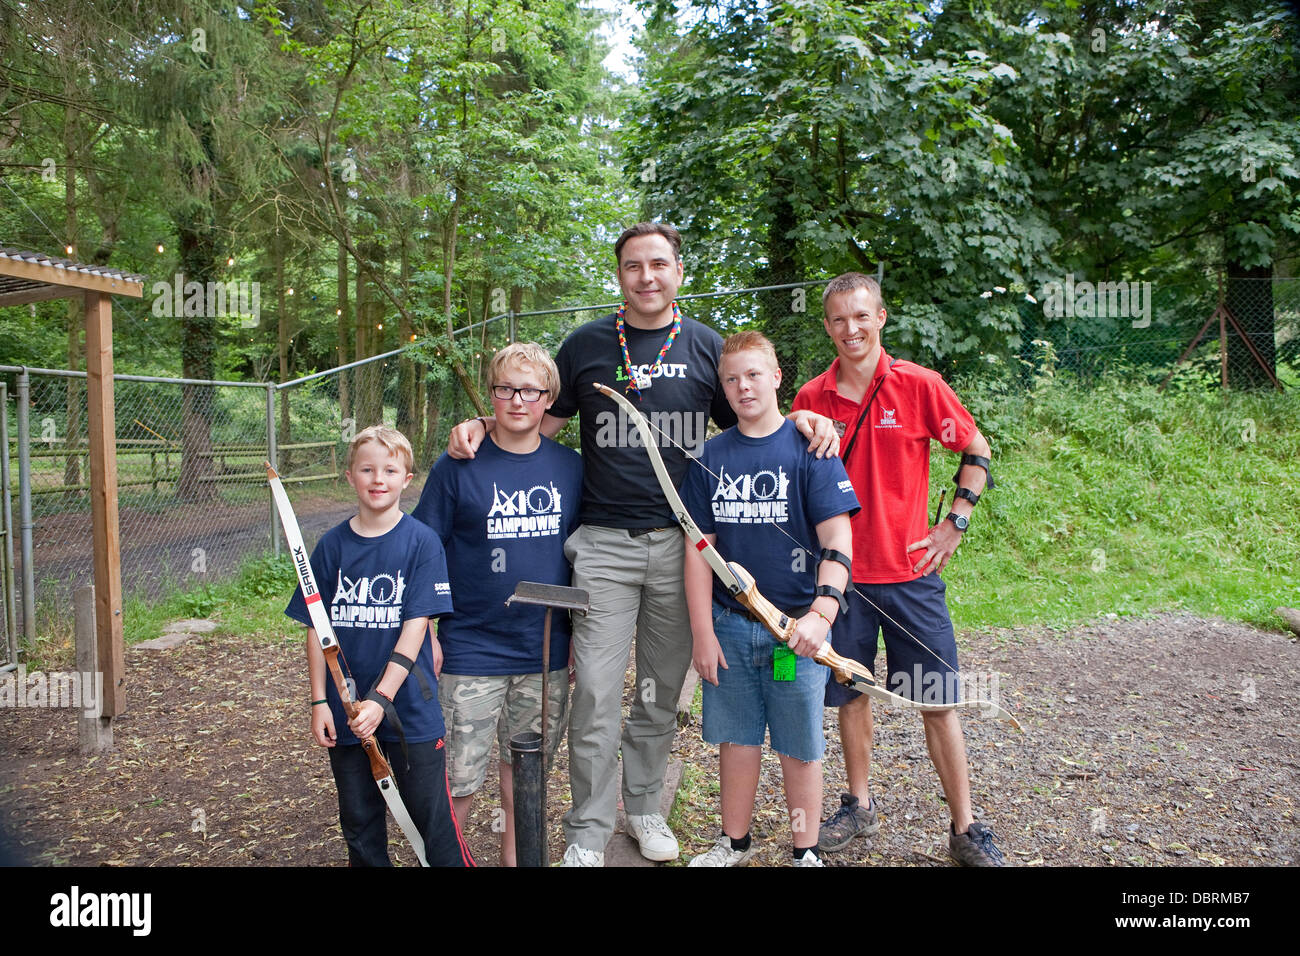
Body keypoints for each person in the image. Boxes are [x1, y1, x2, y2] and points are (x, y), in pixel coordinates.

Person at [446, 222, 840, 866]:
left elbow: (751, 414)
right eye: (634, 266)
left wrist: (803, 416)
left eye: (659, 264)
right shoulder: (586, 346)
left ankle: (646, 807)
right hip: (602, 545)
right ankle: (588, 831)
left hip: (686, 549)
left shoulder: (710, 347)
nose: (647, 277)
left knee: (658, 689)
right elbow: (531, 420)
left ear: (678, 271)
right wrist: (479, 425)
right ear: (620, 275)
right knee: (597, 693)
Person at [791, 272, 1004, 866]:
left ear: (881, 317)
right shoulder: (811, 398)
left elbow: (977, 449)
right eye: (837, 319)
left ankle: (965, 827)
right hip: (841, 581)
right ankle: (858, 805)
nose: (850, 329)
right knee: (851, 692)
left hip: (911, 577)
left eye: (861, 316)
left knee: (937, 700)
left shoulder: (918, 385)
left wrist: (954, 524)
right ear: (828, 326)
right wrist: (802, 426)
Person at [682, 332, 858, 867]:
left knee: (798, 746)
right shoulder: (711, 455)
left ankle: (805, 851)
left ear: (777, 377)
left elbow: (838, 541)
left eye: (754, 374)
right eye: (732, 379)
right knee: (736, 741)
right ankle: (733, 842)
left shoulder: (811, 448)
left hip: (793, 635)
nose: (743, 387)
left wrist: (821, 615)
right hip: (731, 627)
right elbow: (697, 552)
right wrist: (703, 633)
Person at [411, 343, 582, 866]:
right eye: (504, 388)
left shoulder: (571, 469)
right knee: (459, 780)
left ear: (548, 398)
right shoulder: (459, 464)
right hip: (472, 647)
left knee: (524, 777)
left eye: (529, 390)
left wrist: (577, 635)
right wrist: (430, 632)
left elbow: (582, 555)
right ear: (491, 393)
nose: (516, 400)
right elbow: (424, 549)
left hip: (544, 650)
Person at [286, 425, 475, 867]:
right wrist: (320, 701)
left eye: (390, 470)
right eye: (367, 469)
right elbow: (317, 628)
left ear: (407, 480)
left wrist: (380, 699)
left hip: (409, 708)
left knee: (432, 817)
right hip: (348, 711)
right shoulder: (331, 547)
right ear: (349, 477)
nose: (378, 478)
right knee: (358, 818)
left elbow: (416, 627)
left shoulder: (421, 542)